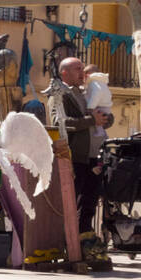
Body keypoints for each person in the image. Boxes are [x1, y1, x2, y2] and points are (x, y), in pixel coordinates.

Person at [46, 56, 100, 240]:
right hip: (75, 157)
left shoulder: (86, 93)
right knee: (71, 202)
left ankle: (85, 240)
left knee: (89, 202)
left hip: (93, 157)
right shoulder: (59, 94)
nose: (82, 73)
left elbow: (100, 116)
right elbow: (59, 122)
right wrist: (91, 120)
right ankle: (67, 242)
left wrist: (106, 119)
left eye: (82, 68)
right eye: (77, 69)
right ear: (64, 73)